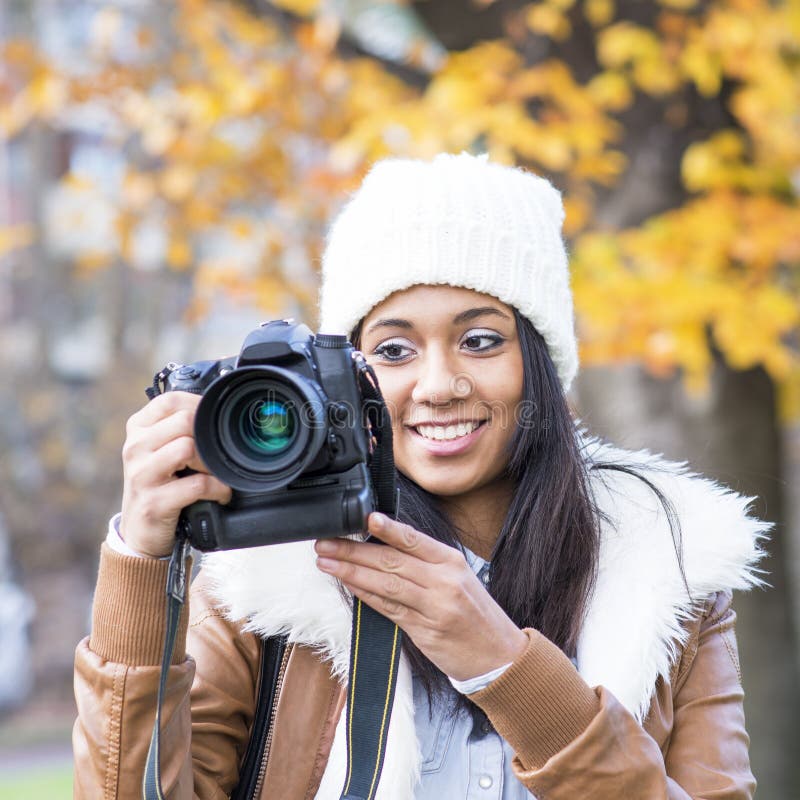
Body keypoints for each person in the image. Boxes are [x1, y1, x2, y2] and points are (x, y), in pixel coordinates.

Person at [73, 152, 769, 799]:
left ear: (542, 364)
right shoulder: (269, 580)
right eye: (395, 349)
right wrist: (140, 559)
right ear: (347, 381)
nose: (438, 385)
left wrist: (504, 666)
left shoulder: (665, 566)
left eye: (480, 340)